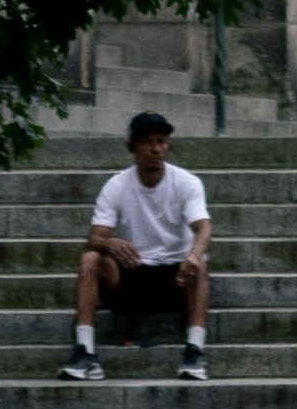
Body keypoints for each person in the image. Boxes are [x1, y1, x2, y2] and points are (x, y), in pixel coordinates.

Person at [67, 111, 212, 379]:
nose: (156, 149)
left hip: (174, 278)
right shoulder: (116, 186)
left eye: (161, 141)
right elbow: (93, 238)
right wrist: (108, 243)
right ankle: (85, 352)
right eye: (147, 142)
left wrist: (193, 253)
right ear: (131, 147)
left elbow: (204, 227)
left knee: (199, 263)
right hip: (131, 274)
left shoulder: (187, 183)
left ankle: (194, 352)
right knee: (90, 258)